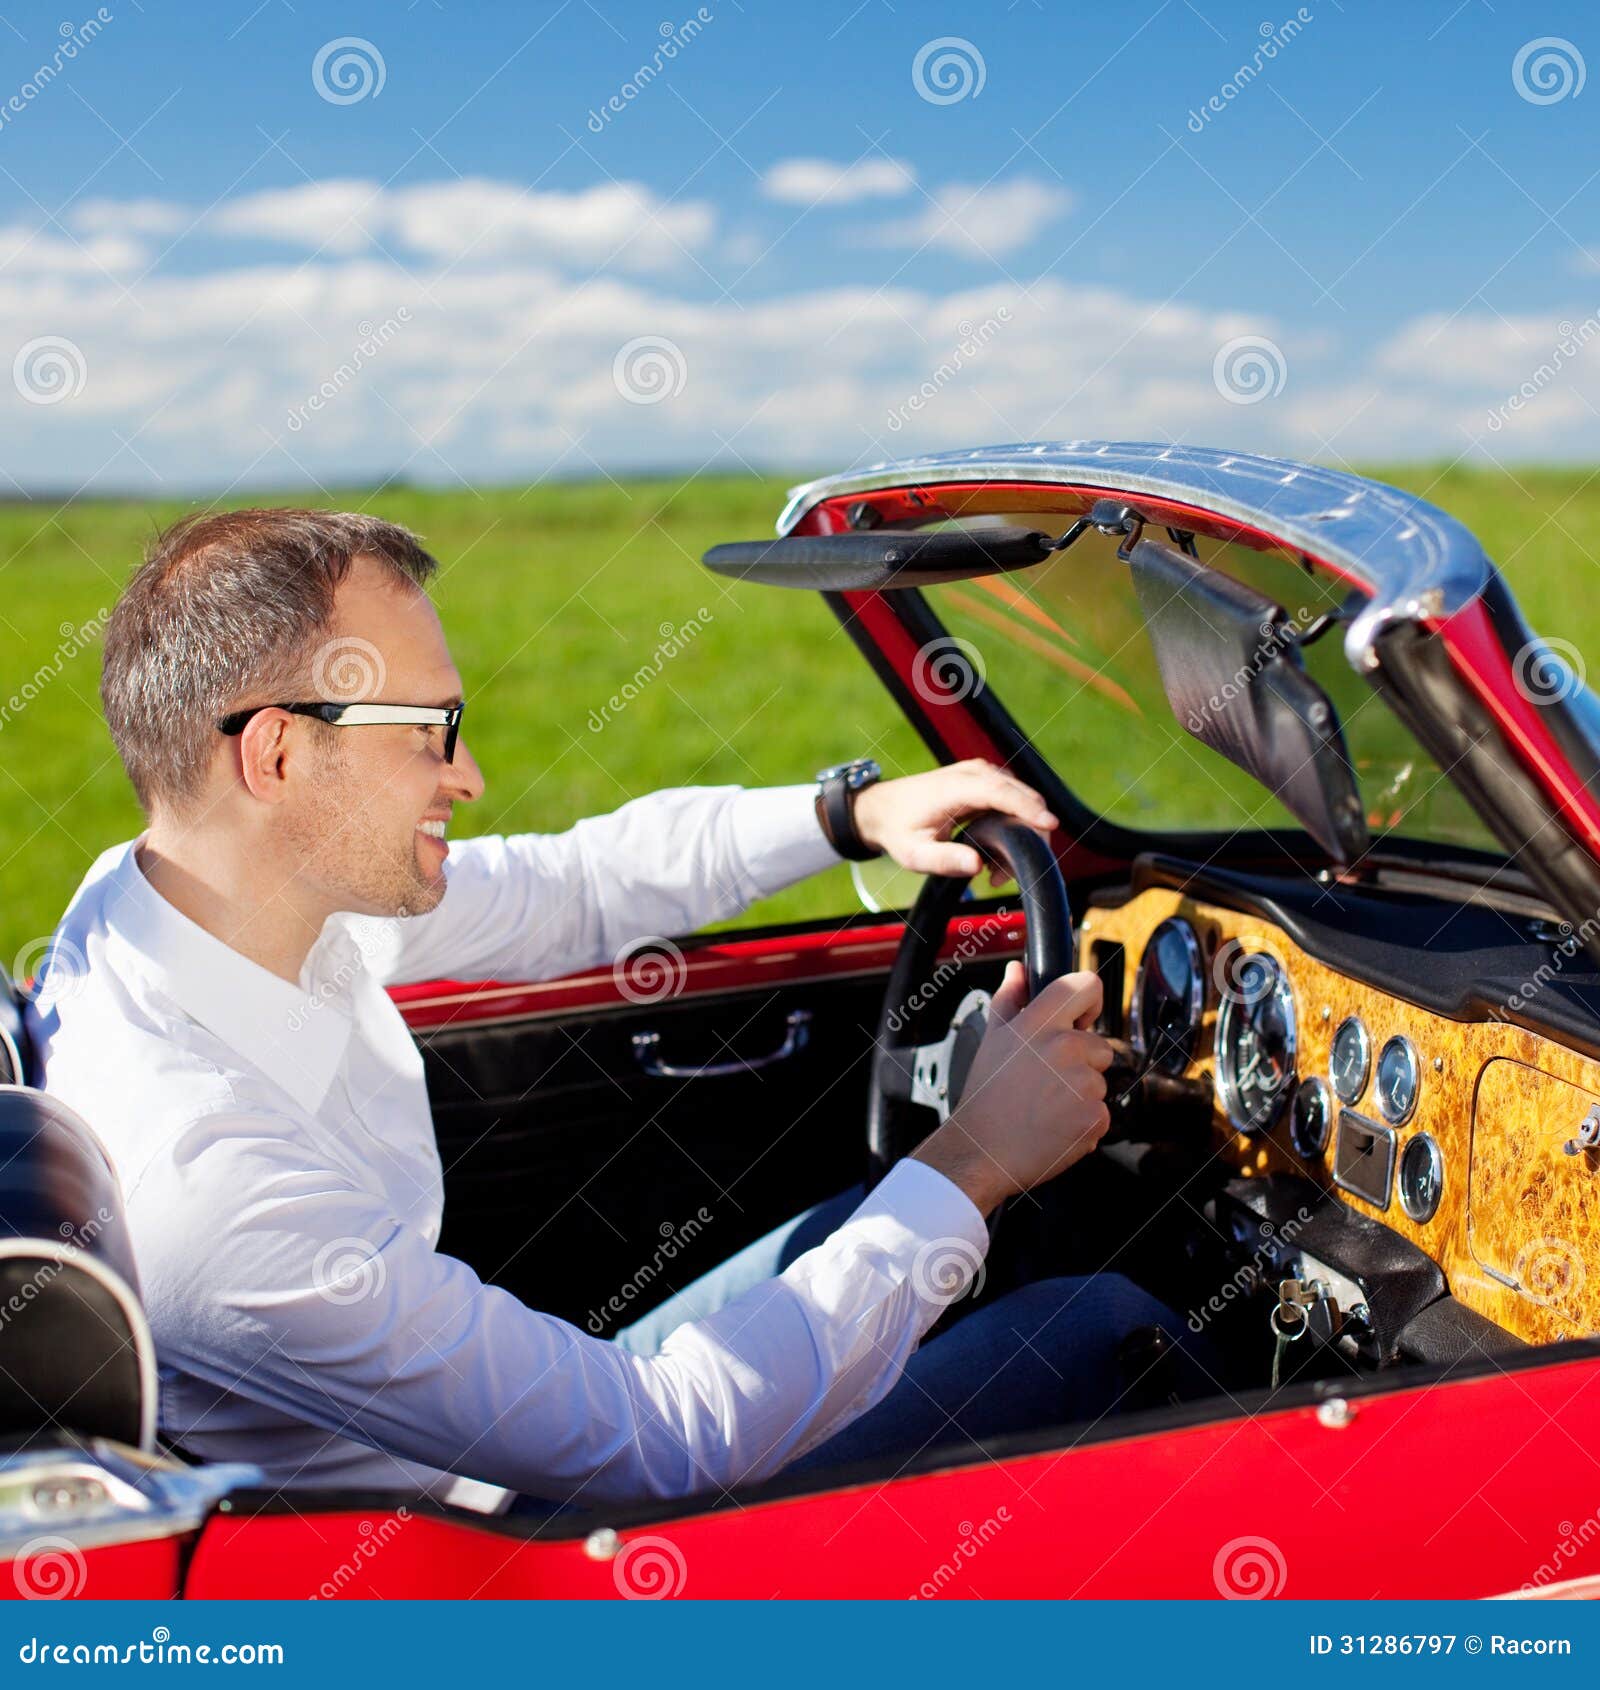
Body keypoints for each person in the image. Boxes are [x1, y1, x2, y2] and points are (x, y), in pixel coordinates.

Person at [30, 508, 1198, 1516]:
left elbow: (575, 886)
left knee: (945, 1224)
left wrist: (847, 815)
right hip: (492, 1558)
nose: (468, 775)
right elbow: (665, 1437)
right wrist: (978, 1155)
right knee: (1107, 1328)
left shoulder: (194, 894)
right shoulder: (210, 1182)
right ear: (278, 756)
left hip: (488, 1458)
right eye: (430, 732)